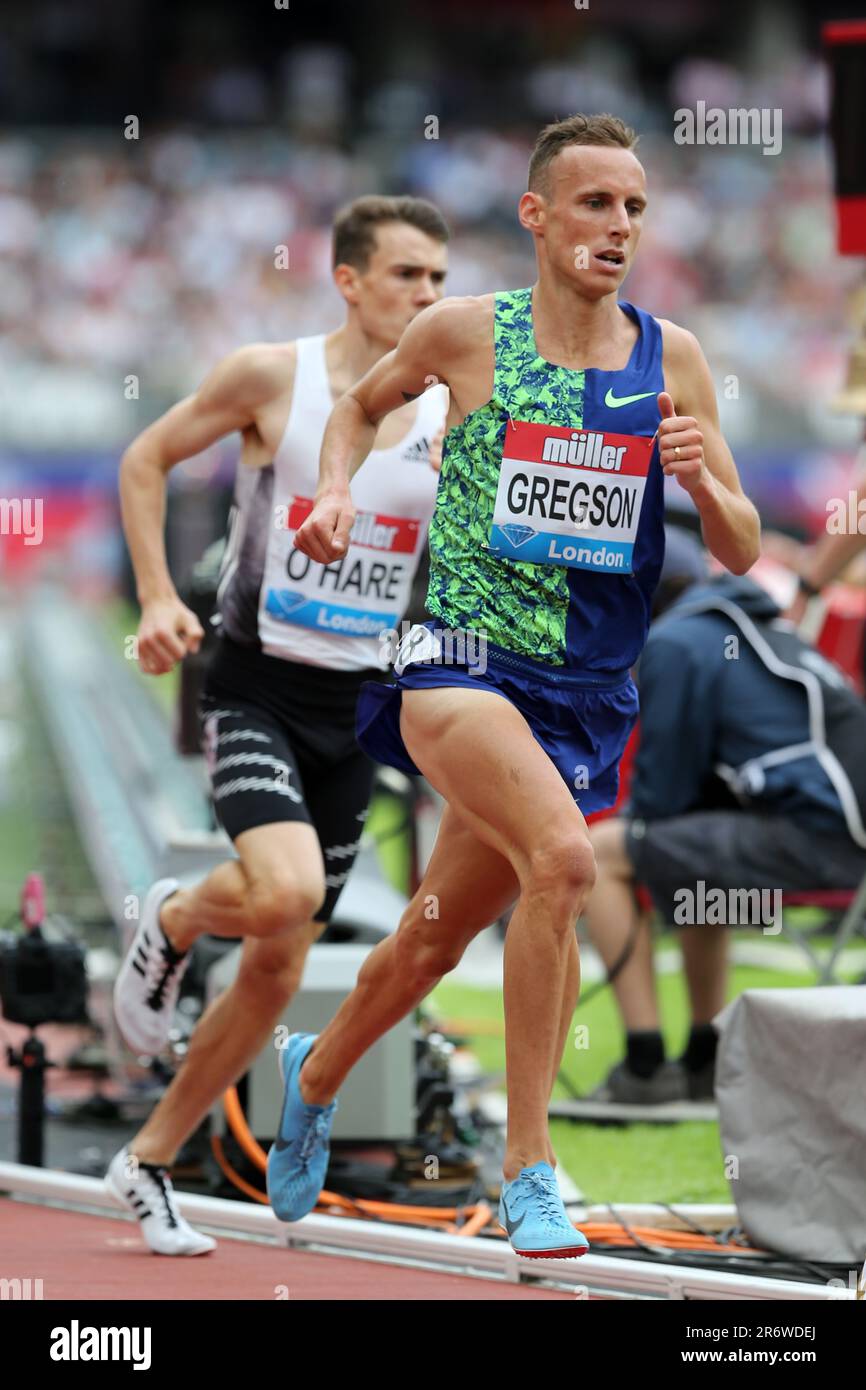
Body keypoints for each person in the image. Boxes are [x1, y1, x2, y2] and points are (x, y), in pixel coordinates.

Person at [269, 113, 761, 1259]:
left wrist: (703, 485)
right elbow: (355, 406)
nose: (619, 226)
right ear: (536, 215)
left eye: (634, 207)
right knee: (564, 863)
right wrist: (336, 490)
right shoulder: (463, 332)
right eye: (594, 203)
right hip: (458, 661)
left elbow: (737, 546)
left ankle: (318, 1066)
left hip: (585, 690)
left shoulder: (669, 355)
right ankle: (532, 1170)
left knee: (433, 940)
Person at [108, 195, 450, 1254]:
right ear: (347, 280)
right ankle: (171, 918)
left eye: (439, 280)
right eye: (406, 277)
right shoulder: (276, 375)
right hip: (253, 683)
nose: (427, 298)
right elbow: (143, 459)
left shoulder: (451, 405)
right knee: (287, 891)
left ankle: (148, 1158)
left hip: (358, 709)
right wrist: (161, 599)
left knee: (278, 962)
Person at [584, 558, 866, 1105]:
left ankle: (644, 1065)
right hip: (837, 832)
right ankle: (704, 1055)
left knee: (600, 854)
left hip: (823, 839)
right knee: (694, 857)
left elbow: (661, 799)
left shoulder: (675, 641)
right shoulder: (757, 626)